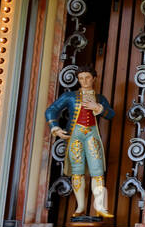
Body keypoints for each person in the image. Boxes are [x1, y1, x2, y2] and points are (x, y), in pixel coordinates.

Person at [45, 65, 115, 218]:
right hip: (75, 135)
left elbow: (111, 114)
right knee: (77, 171)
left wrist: (99, 108)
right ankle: (80, 207)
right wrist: (55, 127)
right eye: (81, 78)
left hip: (92, 135)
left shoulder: (99, 98)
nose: (84, 81)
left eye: (87, 77)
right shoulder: (70, 96)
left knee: (97, 170)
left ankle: (100, 206)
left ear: (94, 78)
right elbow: (52, 110)